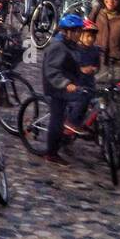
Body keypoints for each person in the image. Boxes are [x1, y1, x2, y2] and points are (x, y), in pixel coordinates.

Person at [40, 14, 99, 165]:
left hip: (69, 83)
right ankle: (51, 153)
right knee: (57, 120)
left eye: (80, 31)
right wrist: (66, 83)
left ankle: (69, 128)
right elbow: (52, 70)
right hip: (57, 86)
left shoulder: (71, 44)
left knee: (85, 97)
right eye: (77, 31)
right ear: (67, 32)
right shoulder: (58, 46)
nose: (79, 34)